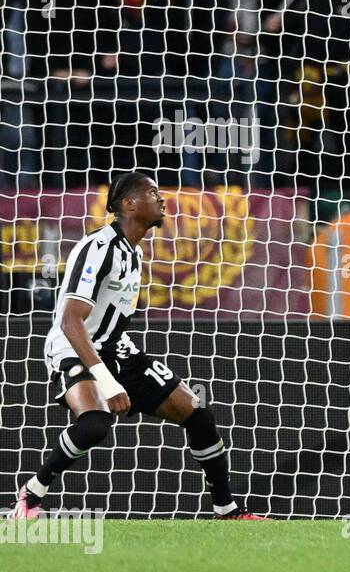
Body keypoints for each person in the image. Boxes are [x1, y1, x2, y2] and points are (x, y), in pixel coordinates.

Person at [11, 172, 261, 521]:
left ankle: (227, 509)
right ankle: (32, 493)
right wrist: (108, 381)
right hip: (73, 345)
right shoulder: (99, 247)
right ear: (128, 204)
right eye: (152, 193)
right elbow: (70, 320)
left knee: (197, 412)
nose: (161, 199)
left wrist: (119, 368)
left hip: (116, 348)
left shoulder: (134, 252)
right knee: (95, 424)